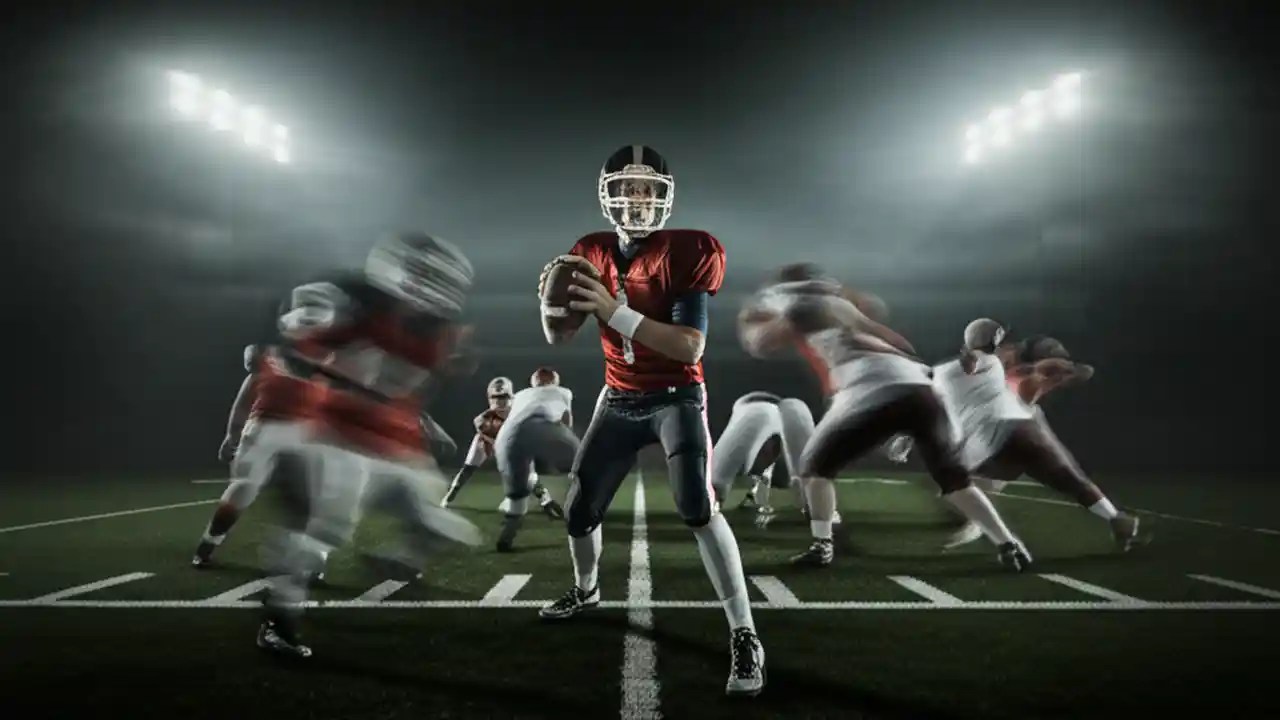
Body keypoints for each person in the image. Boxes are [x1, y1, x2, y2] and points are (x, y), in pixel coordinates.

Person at [534, 145, 765, 697]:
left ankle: (745, 633)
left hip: (675, 396)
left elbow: (689, 347)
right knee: (579, 511)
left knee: (698, 507)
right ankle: (587, 589)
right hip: (618, 396)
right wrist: (550, 304)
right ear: (608, 194)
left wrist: (612, 310)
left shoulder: (688, 250)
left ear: (664, 197)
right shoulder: (590, 251)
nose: (637, 200)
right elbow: (558, 338)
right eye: (628, 188)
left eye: (647, 190)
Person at [737, 264, 1030, 571]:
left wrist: (749, 317)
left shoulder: (802, 305)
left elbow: (761, 344)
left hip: (868, 388)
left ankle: (822, 545)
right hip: (921, 389)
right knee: (953, 480)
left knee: (813, 468)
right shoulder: (840, 307)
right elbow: (901, 344)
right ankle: (1008, 543)